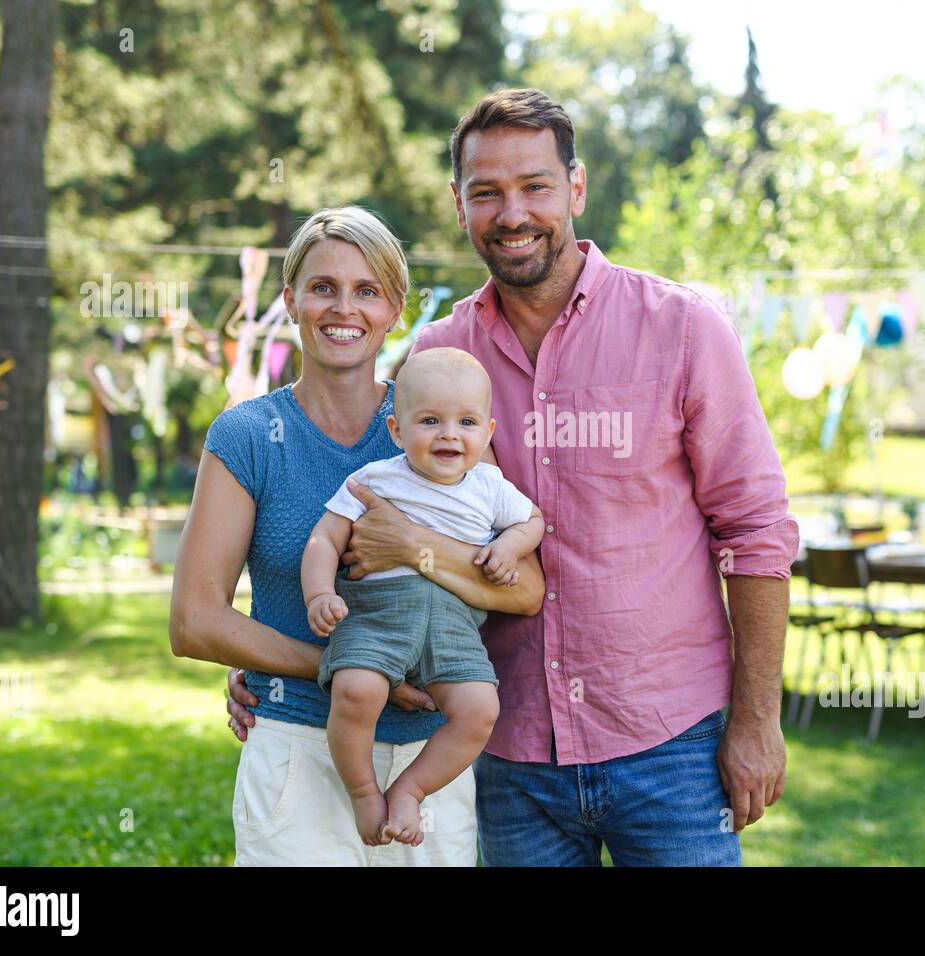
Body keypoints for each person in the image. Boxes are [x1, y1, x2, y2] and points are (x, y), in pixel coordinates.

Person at [231, 88, 799, 867]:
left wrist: (758, 719)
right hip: (502, 750)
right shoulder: (437, 354)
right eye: (486, 192)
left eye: (535, 186)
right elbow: (363, 501)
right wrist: (280, 649)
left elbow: (757, 532)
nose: (513, 212)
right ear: (459, 203)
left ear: (577, 188)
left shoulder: (683, 329)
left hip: (669, 744)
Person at [171, 205, 543, 867]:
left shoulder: (440, 421)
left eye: (367, 290)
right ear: (290, 300)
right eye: (323, 288)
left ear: (396, 307)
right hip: (297, 751)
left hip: (428, 765)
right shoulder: (248, 435)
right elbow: (195, 621)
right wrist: (346, 664)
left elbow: (524, 591)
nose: (344, 308)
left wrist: (414, 548)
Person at [302, 347, 544, 847]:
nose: (449, 433)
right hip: (377, 615)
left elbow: (533, 522)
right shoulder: (374, 480)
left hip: (454, 626)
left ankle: (410, 789)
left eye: (467, 421)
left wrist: (508, 545)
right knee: (356, 691)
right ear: (396, 430)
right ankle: (365, 792)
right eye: (430, 420)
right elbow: (324, 539)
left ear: (489, 433)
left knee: (479, 709)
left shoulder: (490, 487)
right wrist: (319, 593)